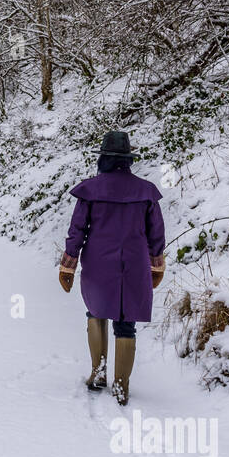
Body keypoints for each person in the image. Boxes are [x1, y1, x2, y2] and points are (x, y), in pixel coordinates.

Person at [57, 130, 166, 404]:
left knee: (96, 312)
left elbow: (77, 230)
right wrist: (156, 266)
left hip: (97, 261)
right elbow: (156, 234)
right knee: (126, 320)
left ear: (104, 157)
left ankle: (98, 372)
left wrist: (68, 266)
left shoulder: (91, 190)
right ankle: (121, 385)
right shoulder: (145, 191)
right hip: (134, 262)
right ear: (128, 159)